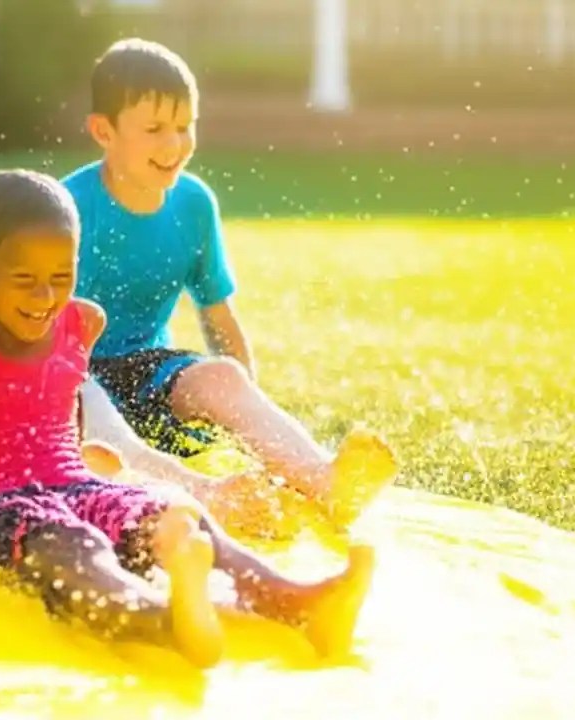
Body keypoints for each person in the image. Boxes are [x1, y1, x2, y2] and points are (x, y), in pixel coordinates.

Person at [0, 170, 375, 666]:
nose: (45, 296)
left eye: (62, 275)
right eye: (24, 279)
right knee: (71, 548)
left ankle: (298, 602)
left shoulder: (82, 321)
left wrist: (80, 453)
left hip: (74, 483)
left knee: (176, 515)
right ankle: (160, 618)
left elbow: (64, 393)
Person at [64, 39, 396, 529]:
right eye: (154, 129)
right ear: (103, 131)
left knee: (221, 375)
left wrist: (246, 410)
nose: (174, 144)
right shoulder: (67, 206)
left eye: (184, 126)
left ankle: (324, 482)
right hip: (71, 375)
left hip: (150, 378)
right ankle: (205, 496)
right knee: (90, 402)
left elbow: (218, 315)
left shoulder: (193, 204)